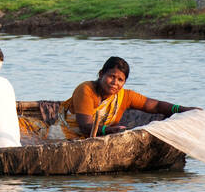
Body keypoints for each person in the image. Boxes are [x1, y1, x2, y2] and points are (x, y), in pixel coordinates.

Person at [64, 56, 196, 138]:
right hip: (67, 134)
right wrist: (109, 130)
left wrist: (183, 109)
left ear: (124, 82)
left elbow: (155, 106)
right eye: (111, 76)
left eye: (120, 80)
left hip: (100, 136)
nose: (115, 82)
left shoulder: (125, 96)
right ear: (101, 74)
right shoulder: (86, 90)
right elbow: (85, 126)